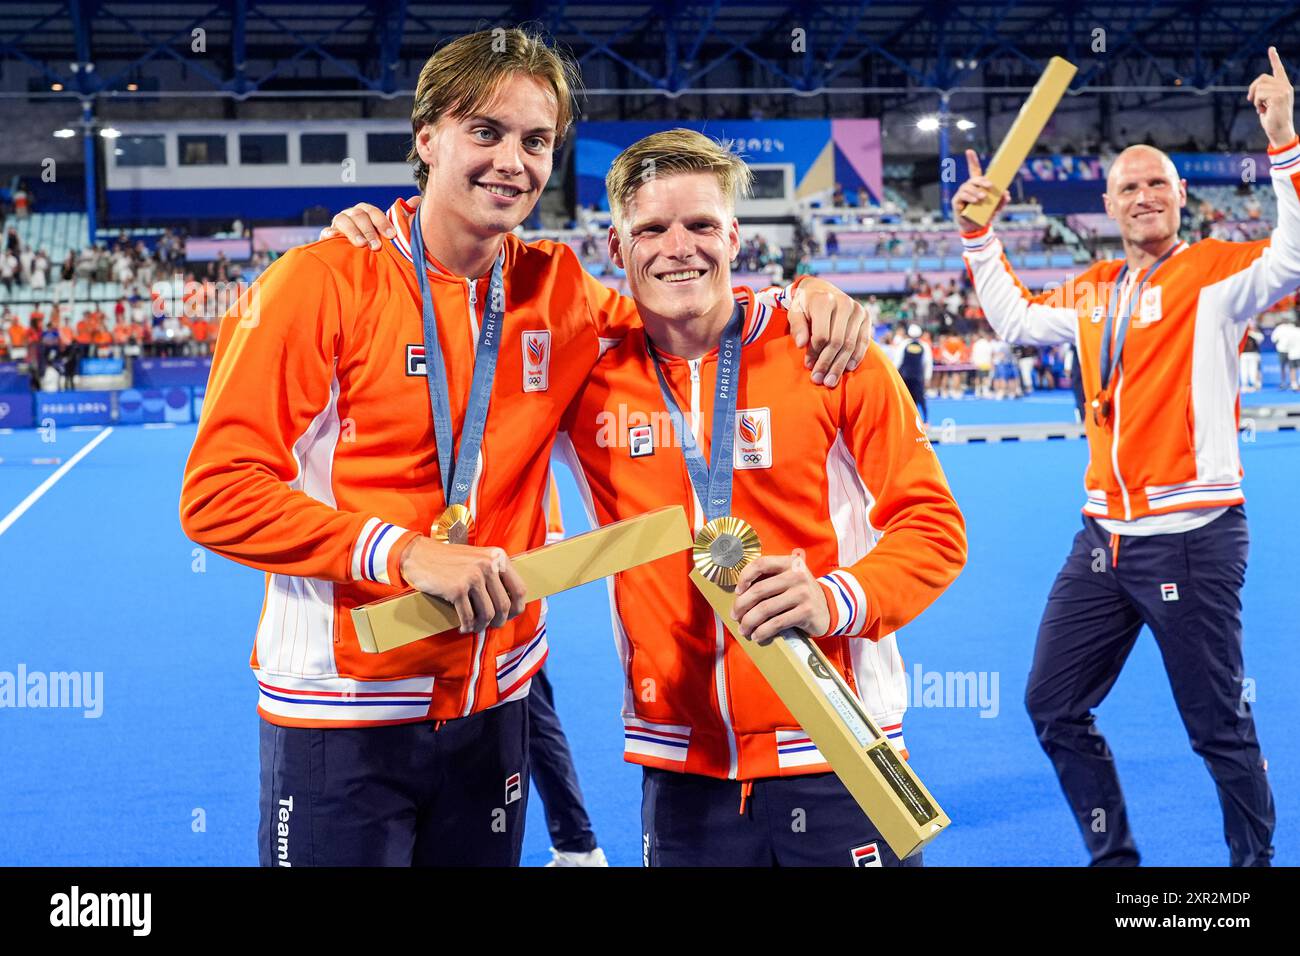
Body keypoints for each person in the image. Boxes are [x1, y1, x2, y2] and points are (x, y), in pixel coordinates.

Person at [181, 26, 872, 869]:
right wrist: (402, 555)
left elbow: (692, 313)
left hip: (494, 705)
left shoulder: (557, 289)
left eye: (536, 141)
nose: (513, 160)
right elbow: (217, 491)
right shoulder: (320, 283)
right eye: (486, 131)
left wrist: (803, 293)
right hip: (345, 708)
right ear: (427, 136)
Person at [551, 128, 966, 866]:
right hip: (682, 764)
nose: (679, 247)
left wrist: (836, 598)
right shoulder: (585, 376)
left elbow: (934, 528)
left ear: (735, 236)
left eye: (701, 224)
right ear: (615, 249)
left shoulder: (828, 351)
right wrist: (375, 241)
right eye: (650, 228)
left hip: (838, 741)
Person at [951, 46, 1296, 867]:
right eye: (1129, 186)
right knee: (1052, 705)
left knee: (1216, 726)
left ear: (1183, 197)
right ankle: (1117, 862)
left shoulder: (1217, 274)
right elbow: (1019, 322)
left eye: (1159, 184)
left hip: (1193, 534)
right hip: (1103, 539)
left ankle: (1251, 870)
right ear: (1107, 205)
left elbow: (1291, 257)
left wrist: (1283, 140)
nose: (1145, 195)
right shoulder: (1094, 287)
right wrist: (977, 236)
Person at [896, 322, 933, 419]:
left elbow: (897, 361)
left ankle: (909, 419)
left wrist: (895, 375)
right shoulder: (924, 345)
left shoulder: (903, 344)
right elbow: (928, 363)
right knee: (920, 399)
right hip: (918, 376)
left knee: (906, 398)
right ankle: (925, 420)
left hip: (905, 376)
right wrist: (927, 377)